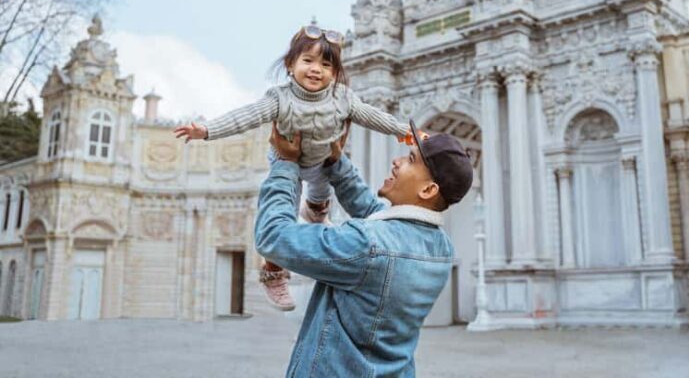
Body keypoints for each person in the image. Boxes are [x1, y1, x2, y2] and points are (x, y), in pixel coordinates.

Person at [173, 24, 413, 311]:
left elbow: (372, 116)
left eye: (326, 64)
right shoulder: (279, 98)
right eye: (307, 61)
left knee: (324, 190)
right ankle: (273, 272)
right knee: (283, 214)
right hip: (288, 163)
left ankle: (315, 210)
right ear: (290, 65)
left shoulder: (343, 98)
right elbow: (244, 117)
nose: (316, 69)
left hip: (324, 159)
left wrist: (404, 131)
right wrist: (206, 130)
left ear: (335, 73)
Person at [259, 118, 473, 377]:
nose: (397, 161)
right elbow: (377, 214)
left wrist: (284, 164)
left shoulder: (367, 244)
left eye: (411, 160)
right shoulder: (440, 248)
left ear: (428, 189)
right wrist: (336, 163)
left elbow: (272, 236)